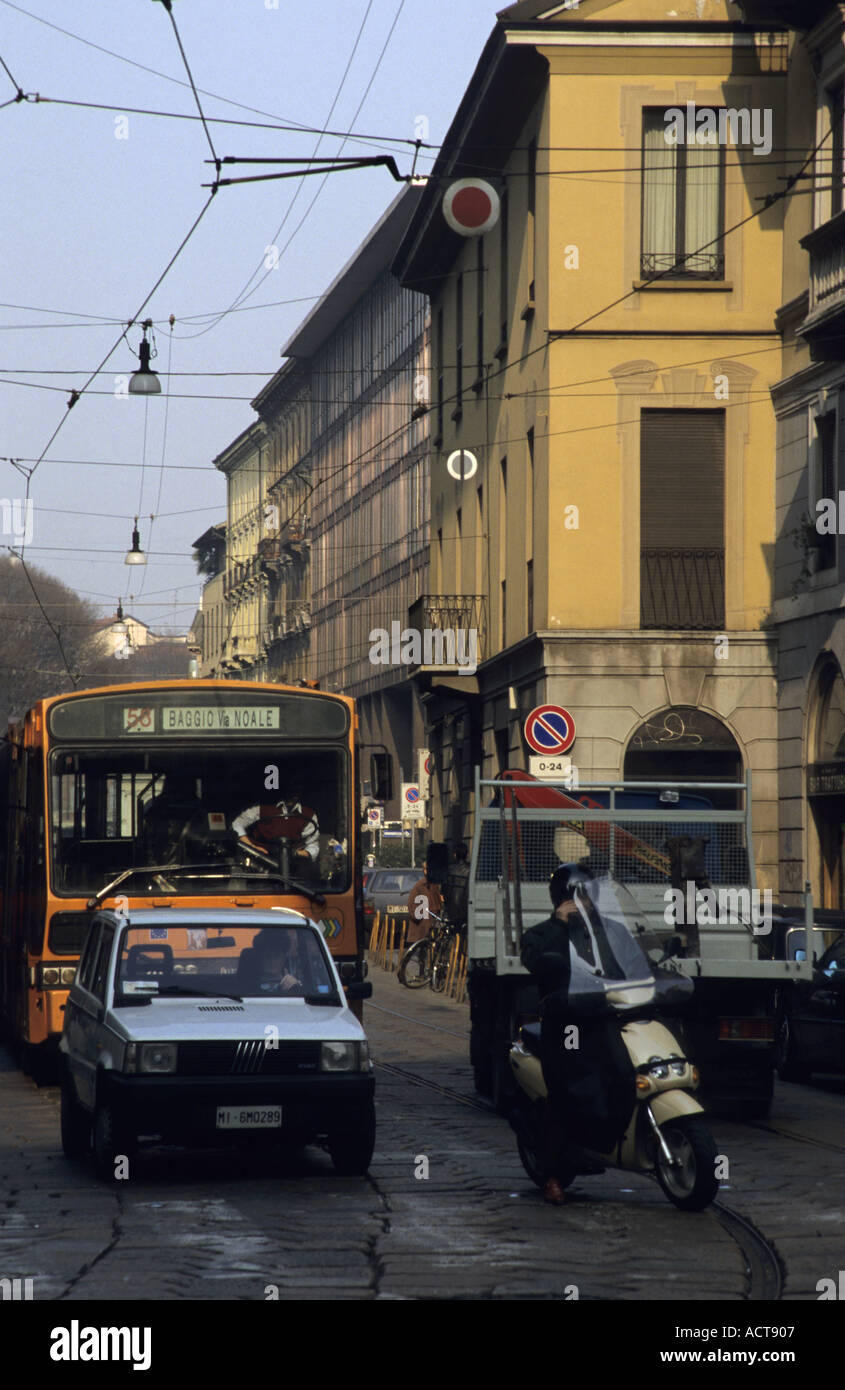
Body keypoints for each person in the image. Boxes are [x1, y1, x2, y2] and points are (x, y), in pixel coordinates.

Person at [520, 863, 607, 1205]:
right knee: (564, 1090)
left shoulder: (604, 931)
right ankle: (553, 1174)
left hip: (603, 1017)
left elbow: (628, 958)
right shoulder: (541, 933)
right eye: (577, 897)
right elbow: (536, 960)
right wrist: (560, 924)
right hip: (565, 1024)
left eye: (588, 897)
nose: (583, 903)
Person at [232, 788, 319, 863]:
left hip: (291, 863)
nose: (293, 793)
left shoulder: (308, 815)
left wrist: (296, 853)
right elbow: (237, 824)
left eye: (296, 789)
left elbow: (313, 844)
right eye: (290, 788)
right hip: (259, 860)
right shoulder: (264, 807)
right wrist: (252, 848)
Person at [244, 929, 302, 994]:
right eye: (267, 956)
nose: (272, 960)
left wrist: (295, 988)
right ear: (259, 958)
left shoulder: (294, 986)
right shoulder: (247, 987)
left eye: (276, 955)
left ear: (284, 958)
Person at [406, 861, 443, 944]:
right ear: (425, 871)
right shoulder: (421, 886)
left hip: (431, 928)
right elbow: (412, 906)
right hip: (421, 931)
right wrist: (421, 916)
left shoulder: (434, 885)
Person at [443, 842, 471, 931]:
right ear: (467, 854)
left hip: (451, 911)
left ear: (454, 855)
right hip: (466, 911)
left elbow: (443, 890)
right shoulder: (471, 870)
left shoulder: (448, 870)